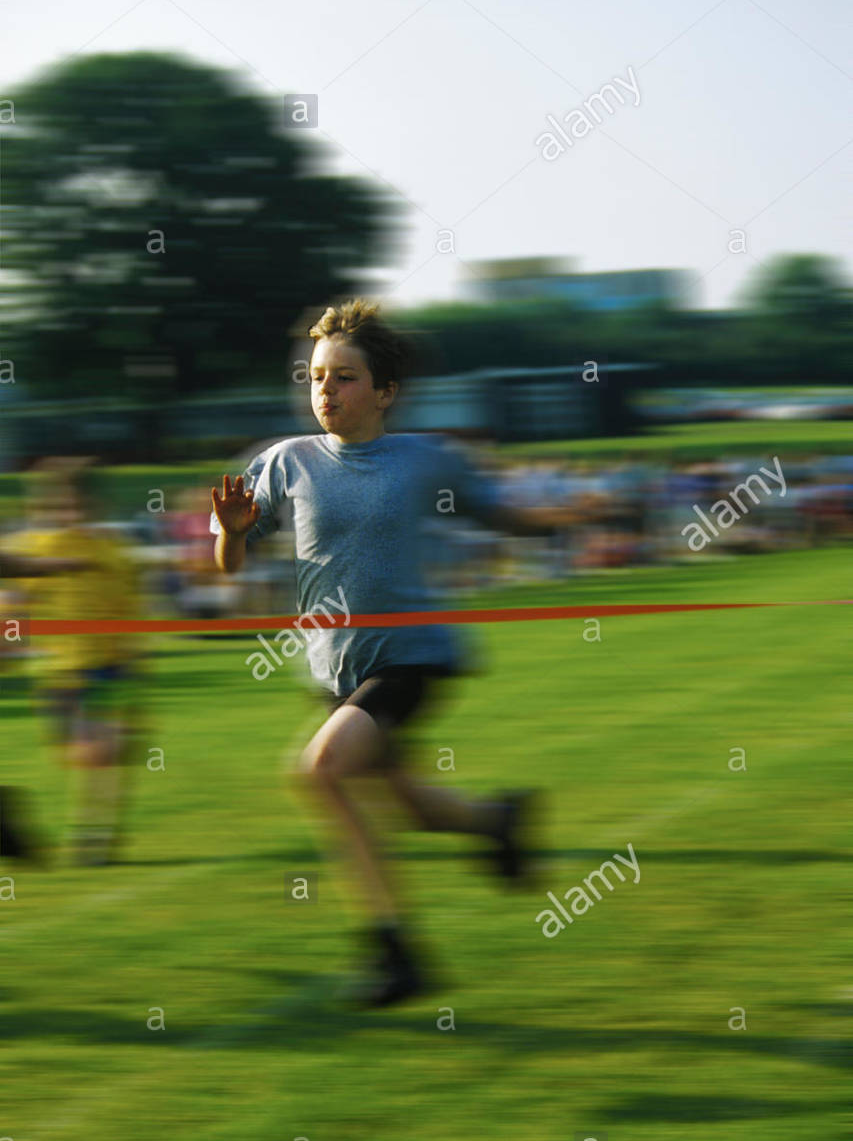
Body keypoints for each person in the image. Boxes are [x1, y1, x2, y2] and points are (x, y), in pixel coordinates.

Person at [210, 300, 575, 1006]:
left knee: (318, 771)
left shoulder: (424, 457)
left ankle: (395, 953)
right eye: (316, 377)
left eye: (344, 378)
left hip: (410, 656)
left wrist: (564, 521)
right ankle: (495, 822)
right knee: (408, 809)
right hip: (334, 668)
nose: (325, 391)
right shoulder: (283, 462)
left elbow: (500, 514)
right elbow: (228, 564)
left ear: (384, 392)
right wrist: (229, 534)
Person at [8, 457, 146, 865]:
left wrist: (134, 661)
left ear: (92, 505)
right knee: (79, 754)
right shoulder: (35, 548)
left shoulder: (113, 551)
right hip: (58, 672)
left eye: (78, 504)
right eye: (63, 505)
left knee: (101, 750)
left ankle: (96, 836)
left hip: (108, 665)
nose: (71, 514)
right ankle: (99, 829)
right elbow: (15, 601)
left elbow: (130, 608)